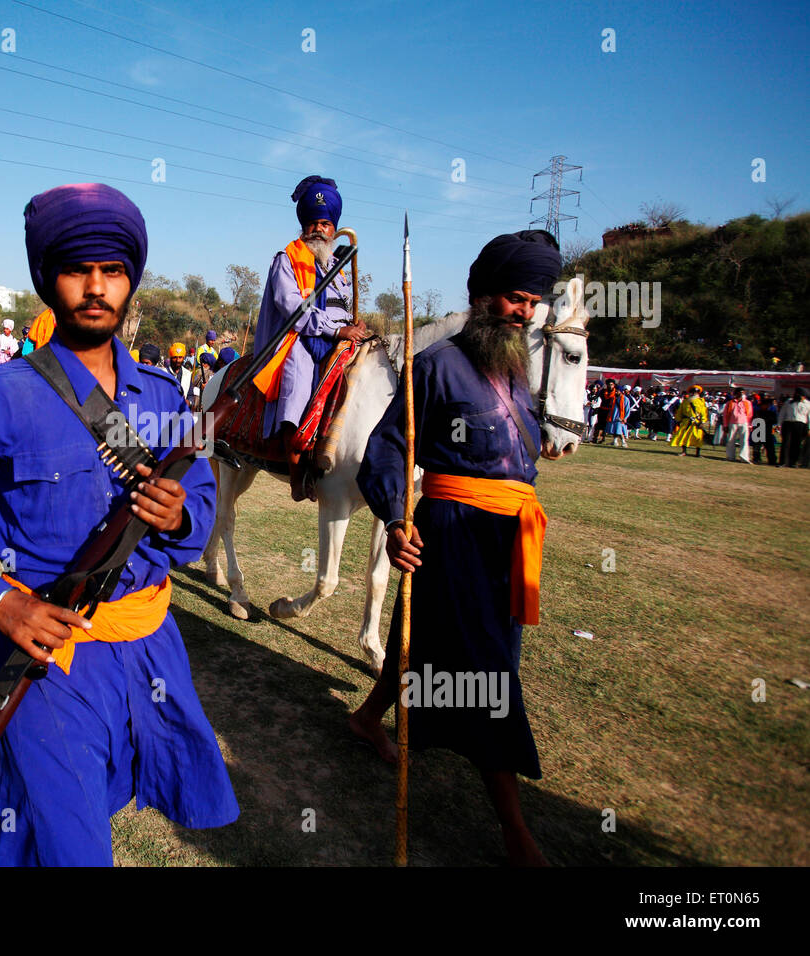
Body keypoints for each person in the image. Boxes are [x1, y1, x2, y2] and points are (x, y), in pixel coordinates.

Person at [0, 182, 237, 866]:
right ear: (46, 280)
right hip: (55, 656)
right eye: (77, 269)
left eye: (112, 271)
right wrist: (1, 600)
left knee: (52, 816)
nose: (95, 287)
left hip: (152, 646)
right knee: (74, 844)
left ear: (129, 283)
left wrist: (178, 515)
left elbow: (200, 512)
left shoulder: (166, 397)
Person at [348, 229, 561, 866]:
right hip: (453, 534)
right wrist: (394, 520)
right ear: (482, 297)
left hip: (507, 542)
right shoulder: (435, 366)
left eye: (532, 303)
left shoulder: (519, 376)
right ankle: (515, 832)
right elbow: (384, 449)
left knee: (434, 645)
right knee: (487, 672)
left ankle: (365, 719)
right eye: (515, 299)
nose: (523, 313)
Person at [253, 175, 366, 500]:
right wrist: (335, 329)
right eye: (314, 223)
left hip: (341, 342)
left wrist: (351, 328)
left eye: (327, 224)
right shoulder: (286, 260)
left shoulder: (340, 267)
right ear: (304, 226)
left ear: (335, 228)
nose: (320, 229)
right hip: (298, 340)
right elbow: (292, 308)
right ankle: (297, 466)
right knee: (297, 376)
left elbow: (342, 307)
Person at [671, 385, 707, 457]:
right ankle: (684, 451)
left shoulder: (701, 401)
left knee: (698, 438)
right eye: (693, 392)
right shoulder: (685, 401)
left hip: (696, 423)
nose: (694, 394)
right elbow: (680, 411)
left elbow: (704, 412)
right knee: (684, 437)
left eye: (696, 392)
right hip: (686, 422)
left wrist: (703, 421)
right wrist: (678, 420)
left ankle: (698, 453)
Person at [778, 387, 810, 467]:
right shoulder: (789, 402)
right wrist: (779, 424)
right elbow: (782, 413)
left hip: (800, 425)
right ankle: (783, 462)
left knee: (796, 444)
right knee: (786, 443)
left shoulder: (808, 404)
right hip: (788, 423)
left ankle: (793, 462)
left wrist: (809, 428)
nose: (802, 397)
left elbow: (809, 417)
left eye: (803, 396)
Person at [723, 387, 754, 463]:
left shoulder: (747, 403)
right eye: (740, 392)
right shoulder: (730, 403)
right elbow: (725, 415)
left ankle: (744, 458)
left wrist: (749, 425)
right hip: (732, 423)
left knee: (744, 441)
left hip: (744, 423)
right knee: (730, 440)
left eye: (743, 393)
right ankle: (730, 457)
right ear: (735, 393)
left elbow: (749, 415)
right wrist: (725, 425)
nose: (741, 394)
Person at [752, 394, 779, 465]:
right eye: (766, 405)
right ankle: (756, 459)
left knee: (770, 448)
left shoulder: (771, 413)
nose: (767, 406)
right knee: (757, 447)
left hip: (767, 431)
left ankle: (772, 460)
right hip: (758, 431)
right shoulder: (757, 412)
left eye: (768, 405)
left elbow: (774, 421)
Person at [604, 382, 629, 448]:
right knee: (614, 430)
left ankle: (623, 442)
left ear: (620, 391)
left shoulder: (625, 399)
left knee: (619, 431)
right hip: (613, 417)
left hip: (620, 417)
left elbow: (627, 410)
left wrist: (625, 417)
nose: (615, 392)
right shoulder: (614, 398)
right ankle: (615, 441)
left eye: (617, 391)